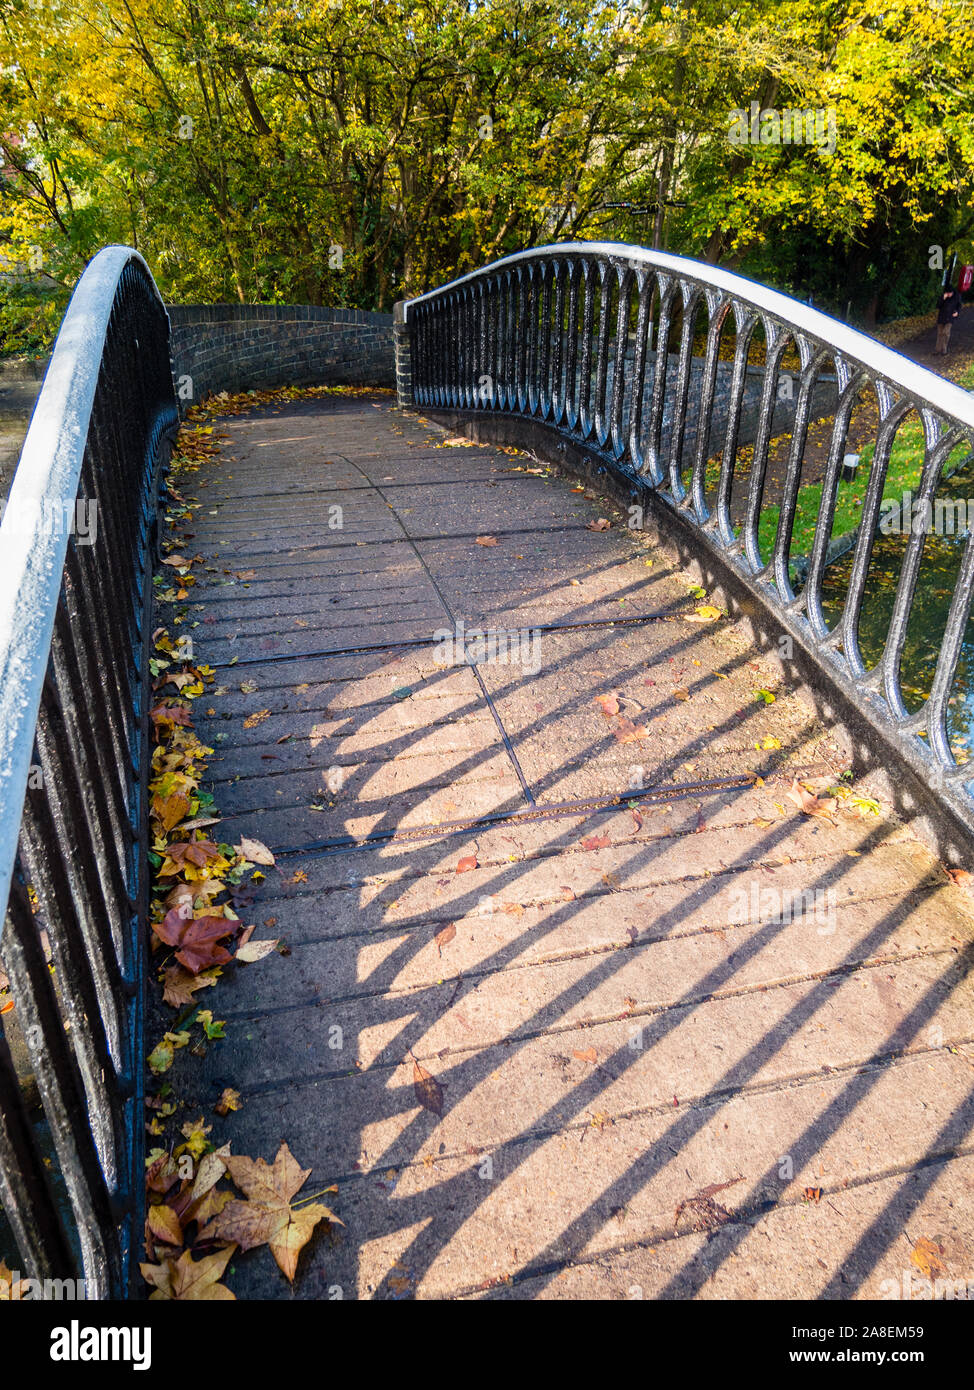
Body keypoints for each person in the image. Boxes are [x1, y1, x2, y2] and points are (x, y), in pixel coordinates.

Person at [936, 282, 963, 355]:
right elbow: (938, 306)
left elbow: (959, 306)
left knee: (946, 333)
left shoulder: (957, 296)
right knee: (940, 333)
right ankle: (938, 350)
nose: (949, 295)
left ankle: (944, 350)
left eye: (950, 293)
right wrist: (943, 298)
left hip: (950, 317)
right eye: (947, 293)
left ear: (952, 292)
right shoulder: (943, 296)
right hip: (941, 317)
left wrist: (957, 312)